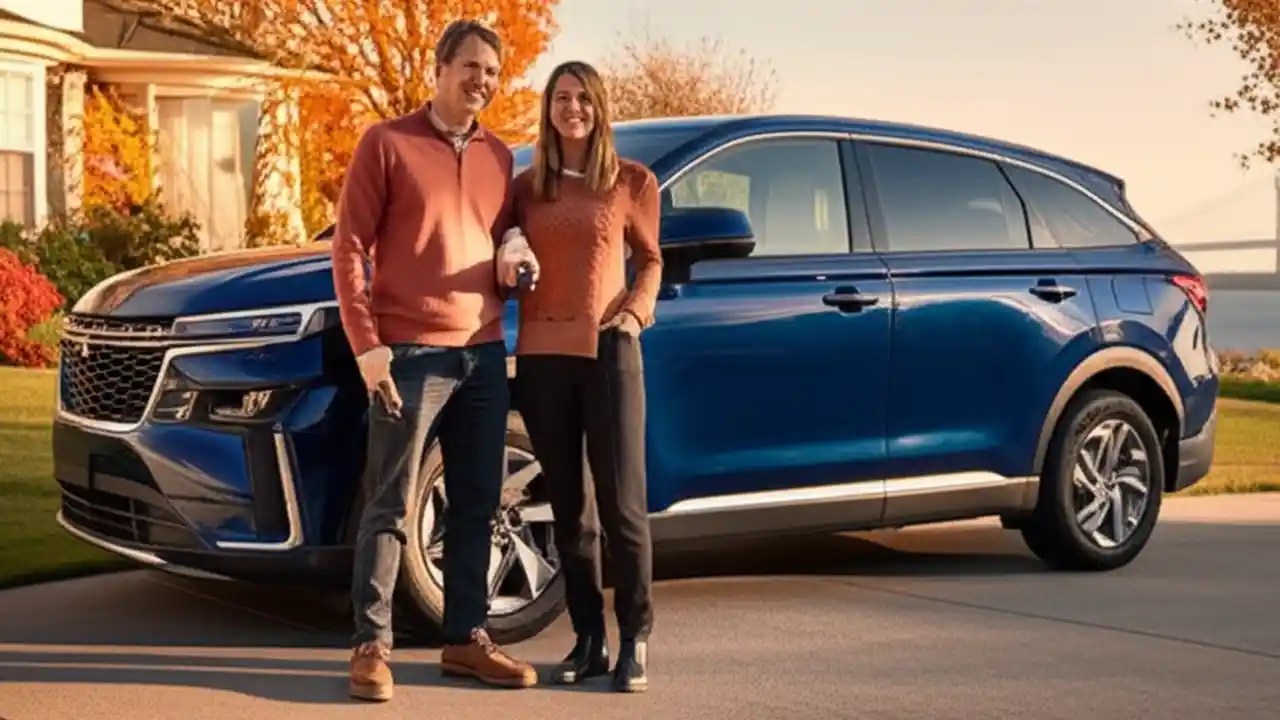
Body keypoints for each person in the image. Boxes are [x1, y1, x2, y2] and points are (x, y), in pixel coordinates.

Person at [331, 19, 538, 702]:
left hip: (483, 352)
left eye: (491, 71)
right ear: (440, 68)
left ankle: (466, 638)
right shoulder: (385, 143)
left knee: (478, 503)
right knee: (389, 501)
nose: (481, 80)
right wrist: (368, 347)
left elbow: (497, 244)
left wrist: (515, 266)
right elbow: (350, 250)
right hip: (410, 357)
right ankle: (372, 645)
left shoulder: (500, 158)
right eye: (471, 66)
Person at [496, 60, 663, 693]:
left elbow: (650, 263)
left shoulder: (630, 182)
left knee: (622, 506)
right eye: (562, 98)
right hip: (542, 358)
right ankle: (589, 638)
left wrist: (633, 316)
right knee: (569, 508)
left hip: (610, 355)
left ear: (599, 108)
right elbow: (502, 255)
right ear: (549, 109)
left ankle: (636, 639)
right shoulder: (524, 189)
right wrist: (511, 263)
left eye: (583, 99)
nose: (573, 109)